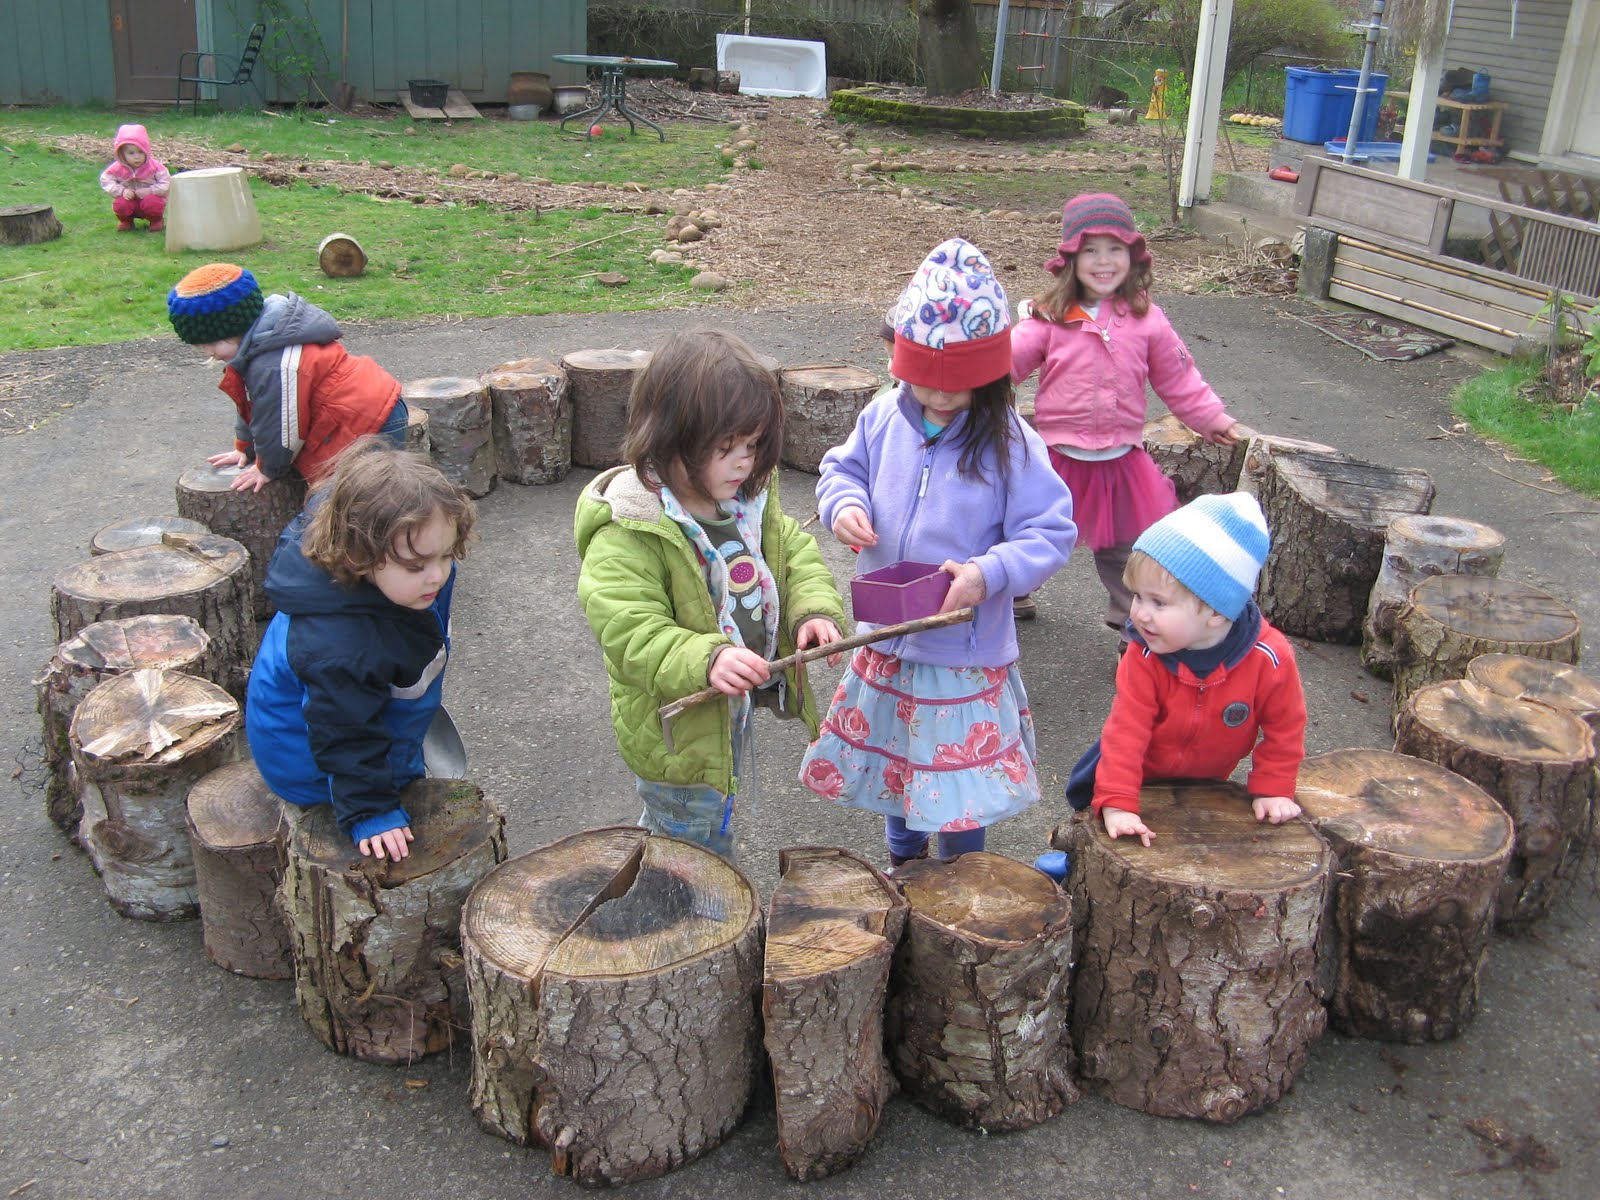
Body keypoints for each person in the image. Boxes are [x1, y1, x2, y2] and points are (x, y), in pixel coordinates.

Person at [800, 237, 1078, 870]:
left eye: (958, 387)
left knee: (956, 783)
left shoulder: (1012, 443)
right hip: (889, 637)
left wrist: (989, 573)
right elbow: (839, 471)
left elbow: (1052, 531)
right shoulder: (880, 417)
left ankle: (960, 876)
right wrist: (844, 506)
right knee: (900, 765)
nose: (939, 398)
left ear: (991, 378)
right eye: (923, 382)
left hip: (960, 651)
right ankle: (903, 864)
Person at [575, 328, 847, 860]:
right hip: (676, 730)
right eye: (726, 449)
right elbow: (629, 630)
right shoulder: (632, 527)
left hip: (724, 714)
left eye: (753, 446)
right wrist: (709, 657)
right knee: (690, 838)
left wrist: (810, 610)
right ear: (669, 438)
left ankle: (678, 882)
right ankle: (691, 919)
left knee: (702, 817)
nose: (744, 463)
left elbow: (790, 550)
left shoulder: (744, 502)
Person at [1011, 192, 1242, 639]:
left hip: (1121, 463)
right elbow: (1006, 366)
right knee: (1040, 534)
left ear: (1133, 258)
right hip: (1058, 459)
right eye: (1091, 250)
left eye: (1114, 249)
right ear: (1071, 259)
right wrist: (964, 388)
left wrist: (1213, 418)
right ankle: (1012, 590)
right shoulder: (1049, 320)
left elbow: (1179, 378)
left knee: (1127, 549)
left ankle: (1130, 622)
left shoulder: (1146, 320)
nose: (1103, 261)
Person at [246, 437, 477, 861]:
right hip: (316, 768)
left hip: (355, 707)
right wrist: (370, 809)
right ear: (359, 555)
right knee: (361, 733)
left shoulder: (399, 574)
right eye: (417, 566)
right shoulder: (340, 649)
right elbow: (344, 734)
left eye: (446, 556)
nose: (438, 576)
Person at [1064, 492, 1305, 847]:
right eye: (1138, 597)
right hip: (1135, 773)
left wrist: (1273, 788)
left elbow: (1285, 727)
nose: (1140, 614)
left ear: (1216, 612)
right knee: (1097, 828)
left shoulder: (1269, 657)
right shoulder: (1145, 654)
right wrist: (1117, 803)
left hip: (1204, 783)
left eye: (1159, 602)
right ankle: (1071, 852)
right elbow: (1126, 731)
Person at [166, 262, 408, 494]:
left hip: (369, 421)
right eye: (201, 347)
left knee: (354, 501)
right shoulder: (261, 343)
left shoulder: (272, 364)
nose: (210, 353)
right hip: (364, 411)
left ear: (236, 328)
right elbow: (253, 406)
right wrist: (245, 449)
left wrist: (267, 468)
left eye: (213, 344)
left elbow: (282, 425)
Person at [99, 123, 169, 233]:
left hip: (149, 200)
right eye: (131, 153)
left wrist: (151, 190)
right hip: (130, 199)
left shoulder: (155, 167)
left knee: (153, 202)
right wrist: (122, 191)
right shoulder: (117, 168)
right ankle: (126, 221)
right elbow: (106, 180)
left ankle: (156, 220)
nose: (137, 156)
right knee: (120, 204)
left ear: (146, 150)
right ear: (122, 153)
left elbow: (166, 182)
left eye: (141, 151)